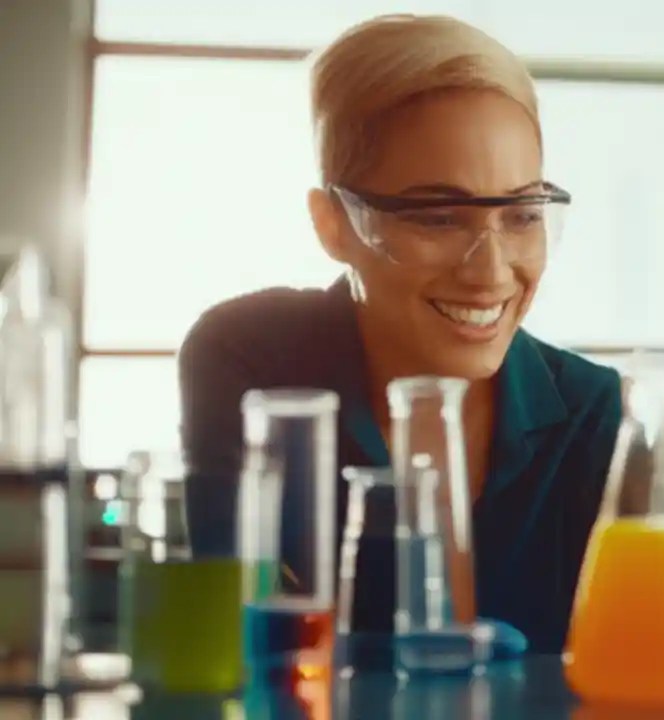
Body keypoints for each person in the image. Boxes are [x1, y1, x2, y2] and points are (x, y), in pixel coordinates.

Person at [178, 15, 622, 655]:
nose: (492, 271)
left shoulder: (589, 409)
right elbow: (242, 627)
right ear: (333, 225)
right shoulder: (251, 362)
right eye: (439, 217)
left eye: (523, 214)